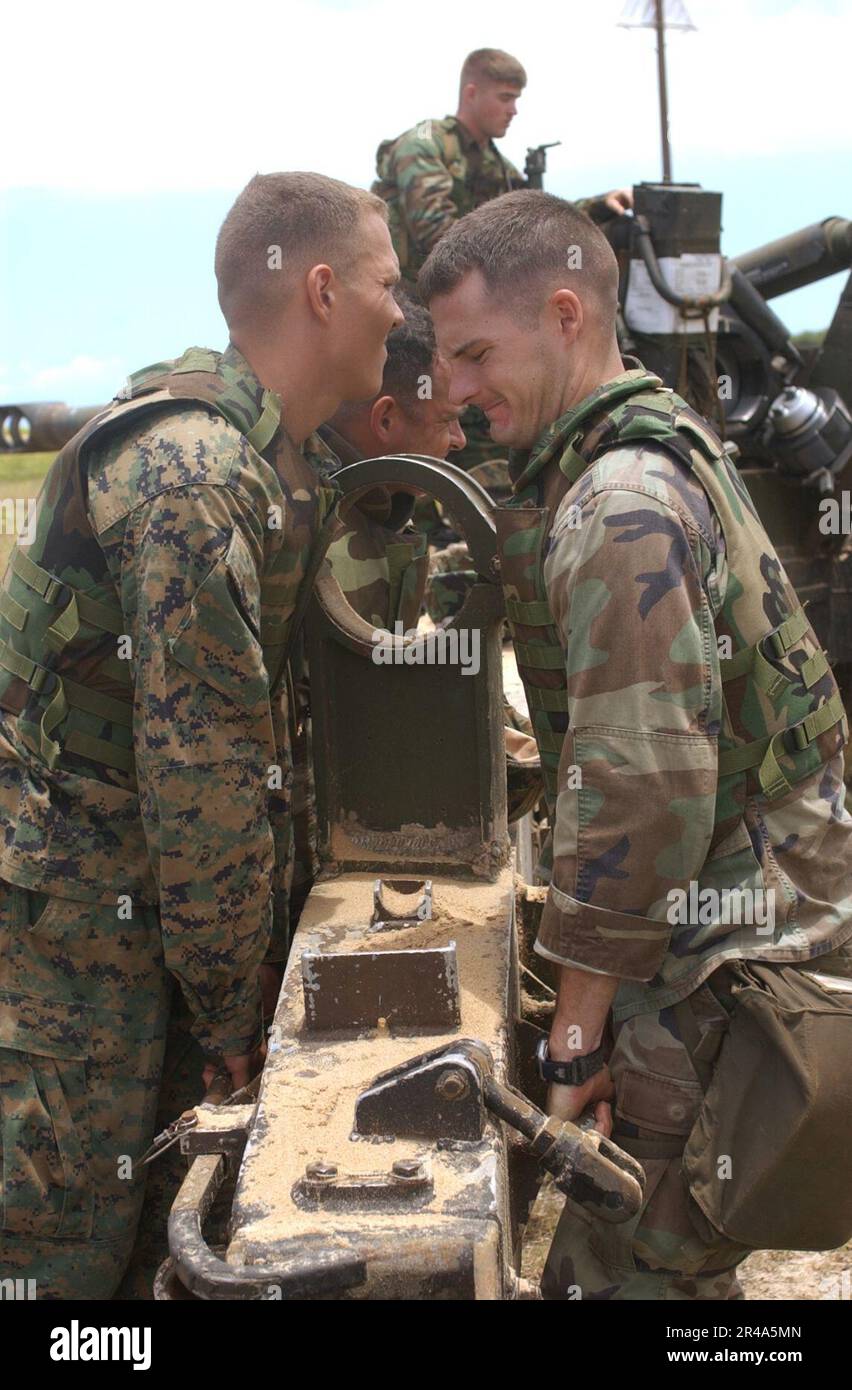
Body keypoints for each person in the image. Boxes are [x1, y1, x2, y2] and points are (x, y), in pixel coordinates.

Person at [419, 188, 852, 1299]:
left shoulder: (618, 503)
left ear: (565, 313)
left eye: (473, 353)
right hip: (745, 903)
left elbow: (644, 793)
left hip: (731, 944)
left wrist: (575, 1033)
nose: (453, 388)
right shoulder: (645, 428)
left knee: (622, 1267)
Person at [0, 170, 402, 1298]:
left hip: (140, 914)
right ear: (322, 290)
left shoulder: (268, 457)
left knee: (153, 1239)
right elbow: (205, 772)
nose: (400, 311)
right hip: (71, 936)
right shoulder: (195, 471)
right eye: (387, 282)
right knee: (62, 1258)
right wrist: (238, 1007)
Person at [373, 48, 631, 474]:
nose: (513, 110)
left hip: (466, 327)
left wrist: (597, 208)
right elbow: (439, 235)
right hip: (411, 324)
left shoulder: (496, 164)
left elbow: (526, 229)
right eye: (505, 97)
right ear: (472, 93)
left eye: (517, 100)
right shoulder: (423, 146)